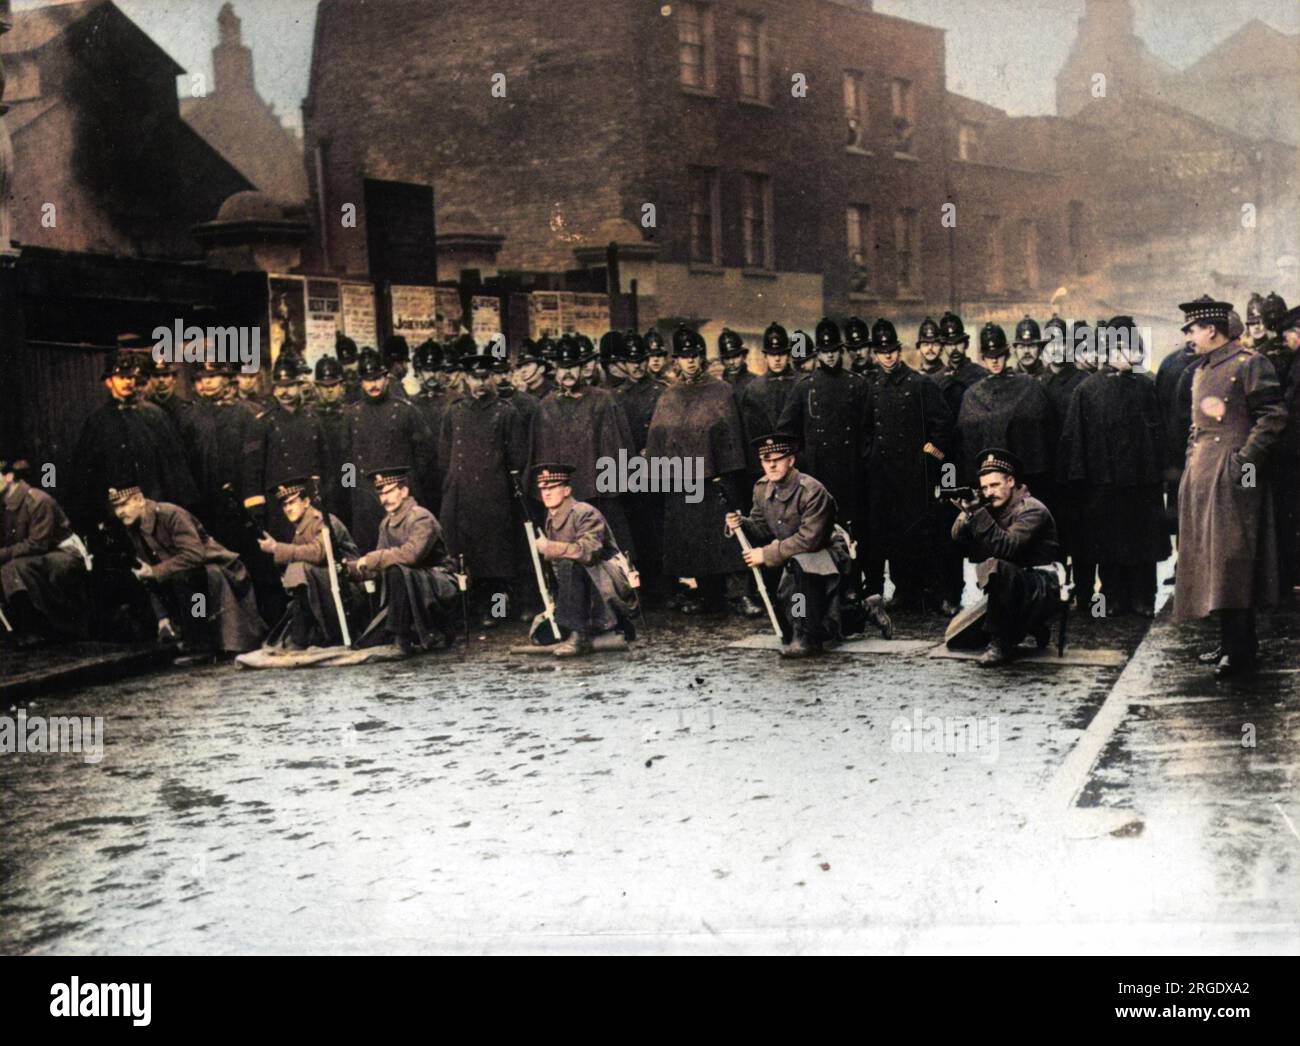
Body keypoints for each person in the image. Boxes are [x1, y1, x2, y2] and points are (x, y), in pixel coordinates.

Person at [1174, 296, 1287, 677]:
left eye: (1192, 329)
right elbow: (1198, 426)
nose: (1188, 336)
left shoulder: (1250, 363)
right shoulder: (1200, 369)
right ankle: (1229, 643)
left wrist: (1243, 463)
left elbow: (1272, 417)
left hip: (1235, 475)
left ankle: (1240, 649)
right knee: (1212, 559)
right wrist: (1194, 458)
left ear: (1211, 329)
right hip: (1204, 475)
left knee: (1235, 557)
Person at [1057, 318, 1169, 618]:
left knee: (1143, 545)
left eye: (1129, 349)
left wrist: (1159, 472)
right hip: (1103, 484)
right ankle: (1113, 596)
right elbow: (1075, 438)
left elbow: (1160, 434)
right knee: (1109, 544)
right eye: (1116, 348)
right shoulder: (1088, 390)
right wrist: (1081, 481)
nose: (1123, 355)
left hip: (1142, 483)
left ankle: (1145, 597)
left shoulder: (1147, 385)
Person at [725, 434, 870, 658]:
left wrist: (766, 553)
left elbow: (809, 539)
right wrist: (741, 523)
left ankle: (806, 638)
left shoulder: (812, 490)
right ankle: (866, 609)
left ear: (791, 460)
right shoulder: (762, 489)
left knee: (802, 589)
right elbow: (763, 529)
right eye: (766, 460)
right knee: (797, 621)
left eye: (778, 459)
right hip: (790, 558)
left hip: (825, 555)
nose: (771, 465)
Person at [645, 326, 749, 615]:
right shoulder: (668, 396)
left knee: (724, 538)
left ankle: (737, 595)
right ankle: (707, 596)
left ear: (702, 358)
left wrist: (727, 473)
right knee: (692, 540)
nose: (690, 361)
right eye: (684, 356)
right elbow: (659, 437)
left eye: (695, 355)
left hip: (715, 478)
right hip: (683, 481)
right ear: (676, 360)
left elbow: (731, 436)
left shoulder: (721, 391)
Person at [861, 318, 955, 614]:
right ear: (874, 353)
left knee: (917, 534)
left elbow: (943, 426)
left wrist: (930, 457)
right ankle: (902, 589)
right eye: (881, 350)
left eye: (892, 350)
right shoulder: (870, 387)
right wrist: (871, 455)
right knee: (888, 535)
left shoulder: (919, 384)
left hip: (914, 476)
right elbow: (863, 430)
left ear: (899, 351)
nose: (887, 356)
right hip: (882, 477)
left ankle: (925, 591)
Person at [109, 485, 265, 657]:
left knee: (188, 580)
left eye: (123, 505)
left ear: (139, 500)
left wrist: (155, 571)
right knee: (166, 579)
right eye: (116, 507)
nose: (119, 512)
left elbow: (194, 556)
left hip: (218, 570)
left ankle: (203, 644)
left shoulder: (170, 514)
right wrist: (162, 616)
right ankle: (188, 636)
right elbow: (148, 572)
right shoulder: (134, 526)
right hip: (186, 575)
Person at [436, 351, 528, 627]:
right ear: (465, 378)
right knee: (465, 556)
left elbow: (517, 459)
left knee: (496, 561)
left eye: (485, 377)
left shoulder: (505, 412)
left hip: (495, 497)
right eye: (474, 377)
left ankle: (497, 611)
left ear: (493, 378)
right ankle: (471, 611)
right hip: (462, 497)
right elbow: (445, 455)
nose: (480, 383)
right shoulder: (454, 413)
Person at [949, 448, 1063, 667]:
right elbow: (957, 537)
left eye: (995, 485)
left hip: (1042, 587)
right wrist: (967, 512)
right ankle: (1033, 625)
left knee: (997, 565)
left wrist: (979, 514)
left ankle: (1001, 642)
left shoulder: (1032, 509)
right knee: (959, 639)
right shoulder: (991, 508)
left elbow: (1006, 548)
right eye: (984, 488)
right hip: (1010, 588)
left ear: (1011, 481)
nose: (989, 492)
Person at [528, 333, 637, 557]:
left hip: (599, 497)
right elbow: (540, 460)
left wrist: (609, 491)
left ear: (582, 369)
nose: (568, 372)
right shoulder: (545, 408)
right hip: (562, 500)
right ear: (555, 370)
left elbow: (617, 451)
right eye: (562, 367)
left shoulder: (602, 401)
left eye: (573, 366)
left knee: (610, 560)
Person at [72, 346, 198, 529]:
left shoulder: (155, 416)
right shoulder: (98, 421)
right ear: (109, 382)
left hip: (154, 507)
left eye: (131, 377)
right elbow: (86, 471)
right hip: (115, 512)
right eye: (122, 377)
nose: (128, 382)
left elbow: (175, 468)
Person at [347, 467, 458, 656]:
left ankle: (402, 639)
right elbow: (379, 564)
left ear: (404, 491)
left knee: (396, 569)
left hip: (438, 583)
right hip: (412, 584)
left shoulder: (420, 517)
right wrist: (350, 568)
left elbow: (412, 555)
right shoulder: (386, 523)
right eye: (380, 493)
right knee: (366, 644)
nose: (384, 499)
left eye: (389, 491)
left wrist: (373, 559)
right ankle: (399, 633)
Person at [532, 462, 639, 658]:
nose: (546, 493)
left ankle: (579, 637)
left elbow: (589, 553)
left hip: (606, 581)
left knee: (572, 562)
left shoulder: (584, 512)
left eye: (552, 488)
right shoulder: (552, 516)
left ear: (566, 490)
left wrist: (550, 548)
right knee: (543, 634)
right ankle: (578, 626)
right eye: (543, 489)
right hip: (581, 588)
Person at [256, 477, 362, 650]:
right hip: (323, 587)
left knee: (300, 568)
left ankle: (299, 638)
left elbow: (320, 553)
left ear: (305, 502)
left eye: (292, 502)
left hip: (347, 586)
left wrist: (277, 548)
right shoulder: (302, 526)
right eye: (284, 505)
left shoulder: (321, 520)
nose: (288, 508)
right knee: (298, 570)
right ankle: (301, 636)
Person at [346, 347, 434, 551]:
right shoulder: (352, 415)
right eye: (368, 380)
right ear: (361, 382)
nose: (373, 385)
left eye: (377, 378)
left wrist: (412, 487)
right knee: (370, 553)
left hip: (401, 496)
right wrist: (353, 492)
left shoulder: (405, 411)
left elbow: (425, 456)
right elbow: (346, 460)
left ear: (386, 378)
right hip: (366, 499)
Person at [0, 457, 89, 646]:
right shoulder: (6, 505)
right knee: (12, 567)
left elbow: (37, 544)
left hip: (65, 554)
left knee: (16, 567)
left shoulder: (37, 500)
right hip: (39, 556)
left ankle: (60, 626)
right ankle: (31, 629)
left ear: (8, 477)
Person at [311, 355, 353, 528]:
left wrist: (349, 486)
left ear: (341, 386)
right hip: (319, 486)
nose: (329, 390)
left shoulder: (350, 414)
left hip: (345, 482)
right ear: (317, 387)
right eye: (324, 386)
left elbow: (351, 458)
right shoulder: (309, 416)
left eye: (333, 385)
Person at [1011, 316, 1050, 381]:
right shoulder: (1009, 381)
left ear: (1040, 349)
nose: (1026, 351)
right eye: (1022, 347)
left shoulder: (1050, 379)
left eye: (1032, 346)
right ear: (1015, 351)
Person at [719, 329, 756, 395]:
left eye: (735, 356)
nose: (731, 362)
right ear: (722, 360)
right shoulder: (717, 385)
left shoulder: (756, 383)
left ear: (744, 356)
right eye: (727, 358)